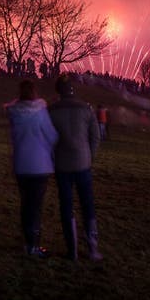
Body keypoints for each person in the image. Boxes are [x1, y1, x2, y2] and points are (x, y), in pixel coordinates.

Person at [48, 74, 102, 261]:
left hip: (62, 165)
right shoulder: (86, 109)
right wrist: (89, 156)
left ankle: (73, 250)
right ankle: (93, 249)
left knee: (66, 207)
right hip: (83, 164)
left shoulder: (52, 111)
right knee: (87, 205)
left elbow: (48, 140)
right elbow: (95, 137)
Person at [5, 79, 59, 257]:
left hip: (21, 164)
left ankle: (28, 243)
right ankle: (34, 246)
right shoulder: (40, 112)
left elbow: (13, 137)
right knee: (35, 206)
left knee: (26, 204)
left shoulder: (13, 113)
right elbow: (51, 135)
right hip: (39, 165)